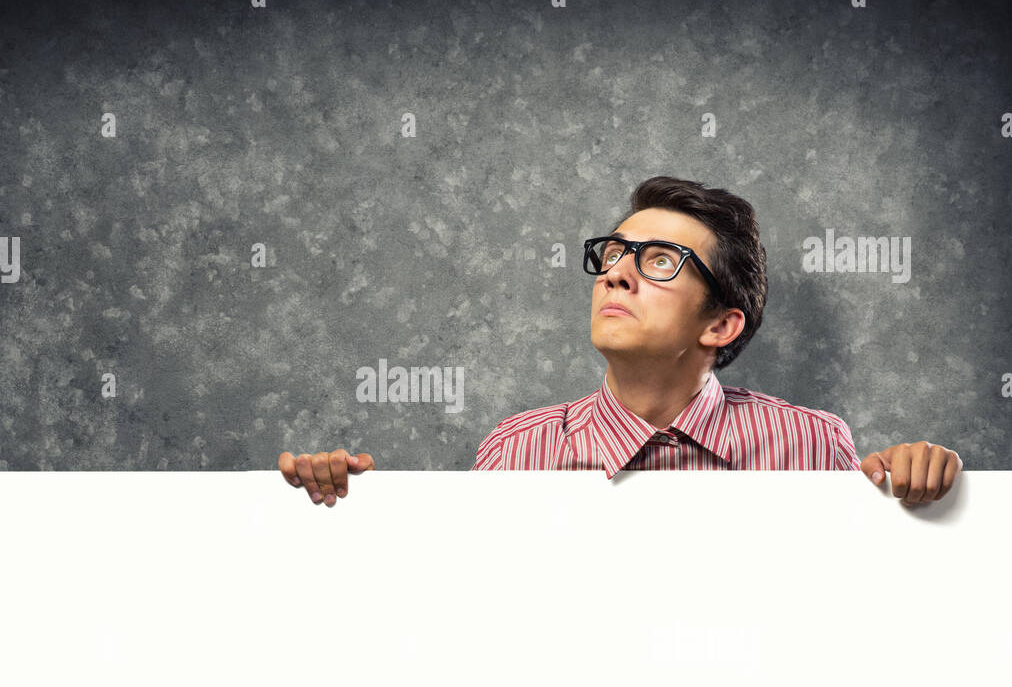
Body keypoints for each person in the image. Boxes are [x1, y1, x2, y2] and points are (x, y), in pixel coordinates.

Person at [279, 176, 962, 508]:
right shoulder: (516, 451)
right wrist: (337, 512)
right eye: (614, 253)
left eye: (659, 260)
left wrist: (917, 493)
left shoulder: (813, 446)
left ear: (720, 325)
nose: (618, 272)